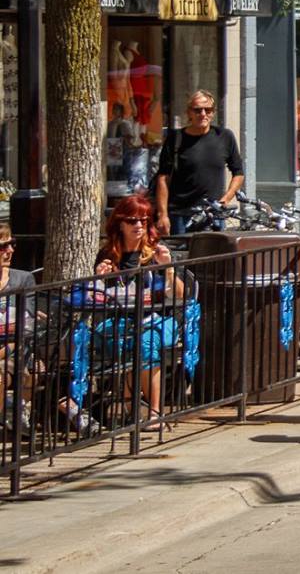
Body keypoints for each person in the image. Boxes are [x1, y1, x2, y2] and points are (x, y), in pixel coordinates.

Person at [93, 194, 182, 429]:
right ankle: (131, 408)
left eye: (144, 220)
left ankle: (153, 413)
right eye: (133, 221)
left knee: (146, 341)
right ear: (120, 224)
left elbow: (183, 295)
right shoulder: (109, 255)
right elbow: (97, 297)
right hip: (120, 321)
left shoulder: (154, 253)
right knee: (125, 340)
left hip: (158, 320)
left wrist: (169, 269)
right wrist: (99, 279)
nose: (139, 226)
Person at [153, 91, 244, 235]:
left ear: (213, 113)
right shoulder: (176, 139)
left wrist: (225, 200)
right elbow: (163, 178)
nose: (203, 114)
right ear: (189, 113)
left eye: (208, 110)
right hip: (180, 215)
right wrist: (162, 215)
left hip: (213, 216)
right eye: (197, 110)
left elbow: (238, 173)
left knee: (215, 257)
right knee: (182, 257)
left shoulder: (225, 137)